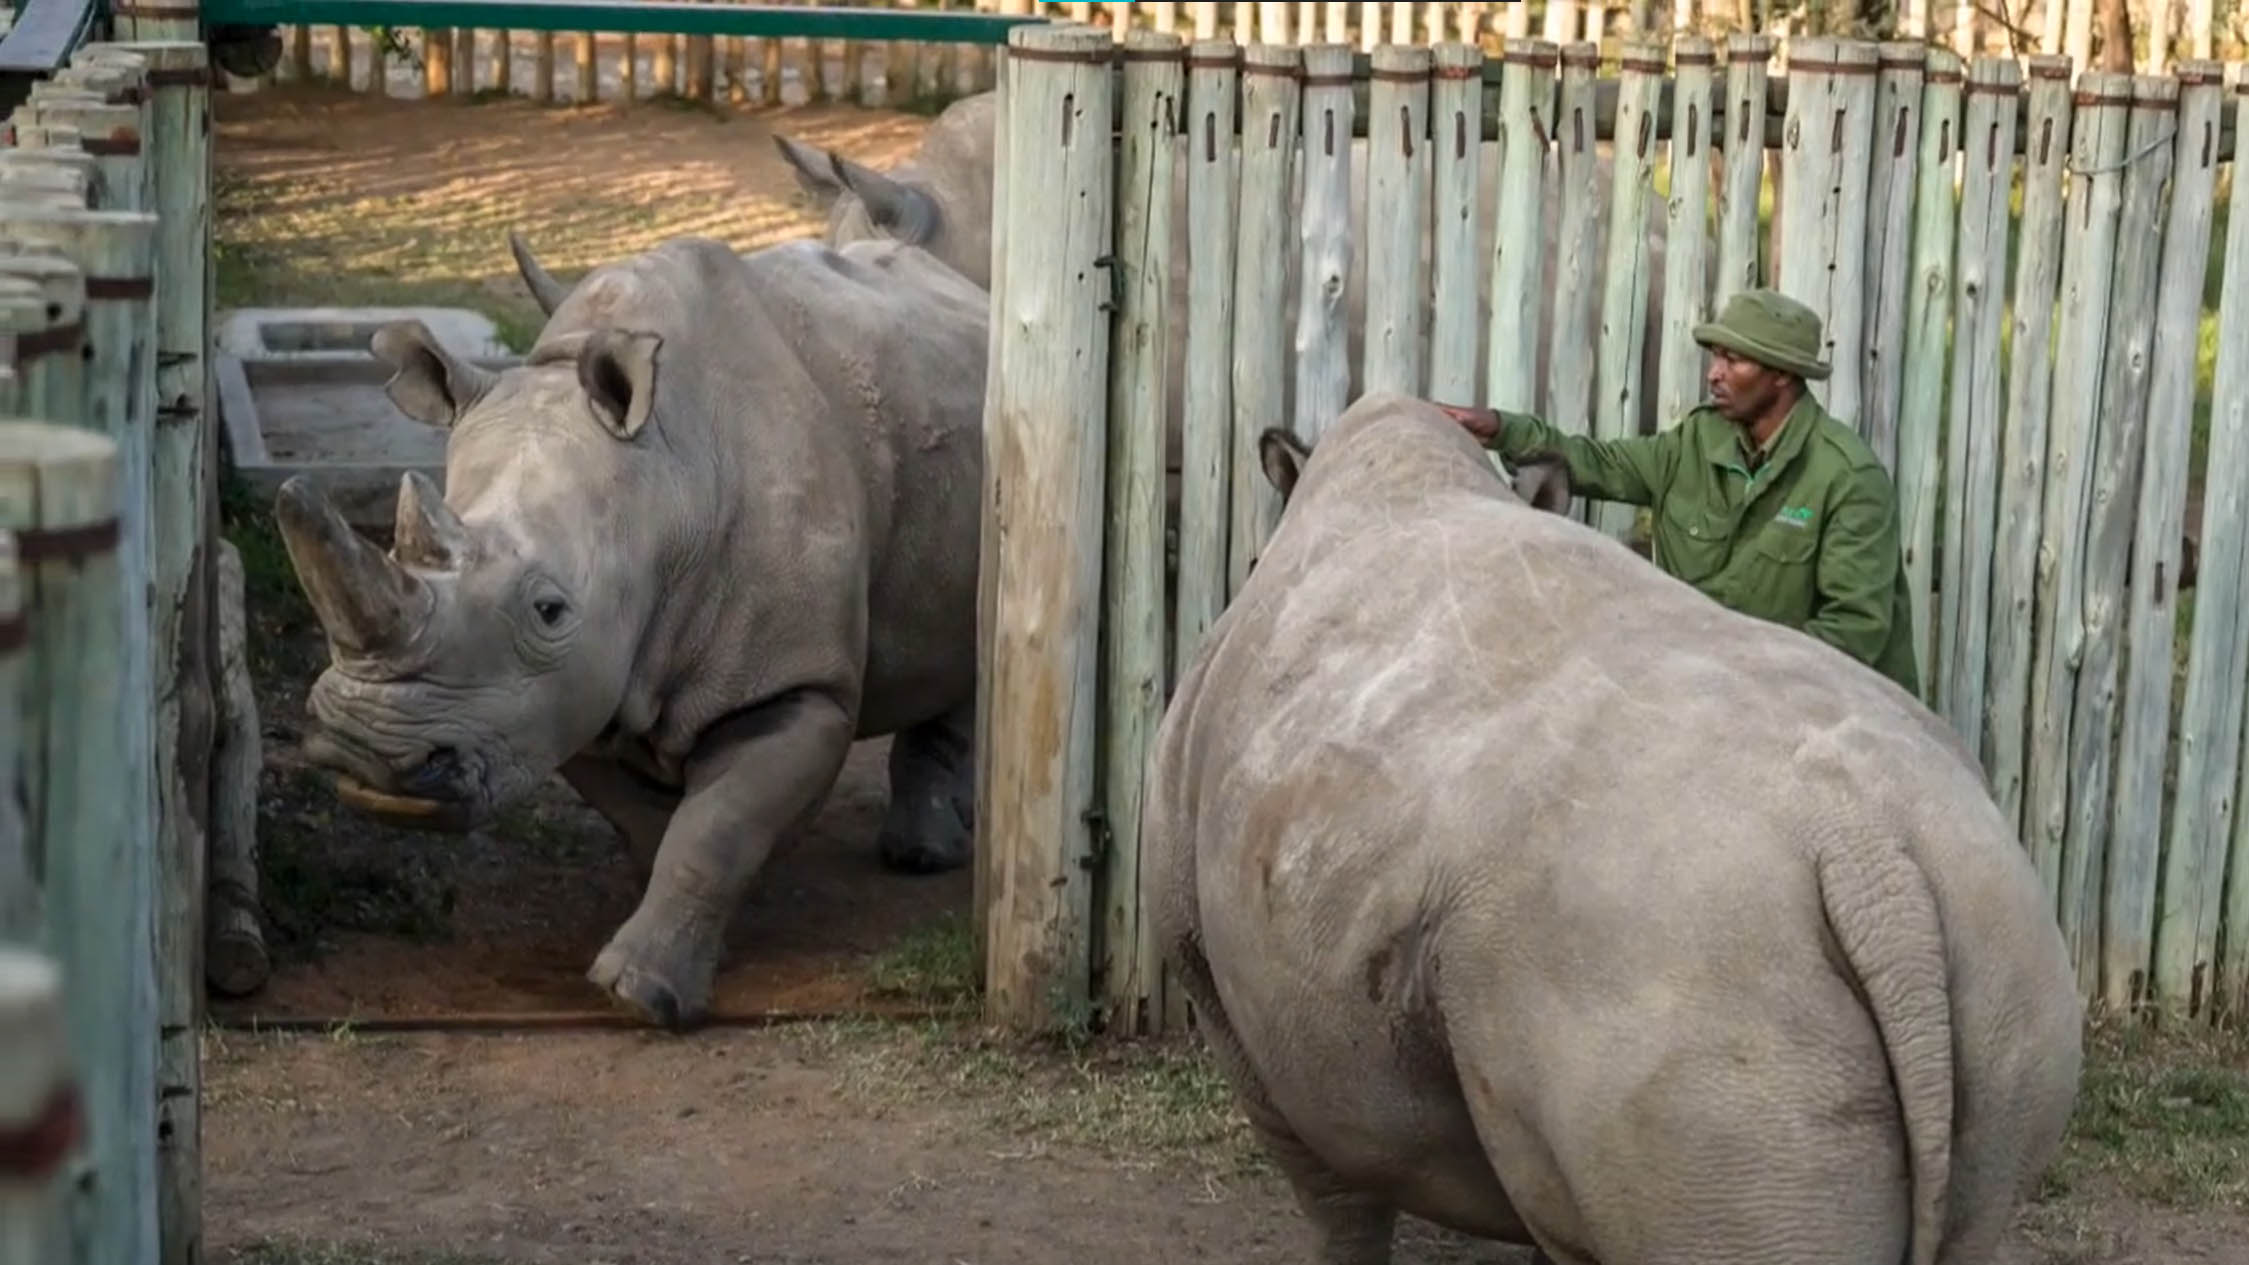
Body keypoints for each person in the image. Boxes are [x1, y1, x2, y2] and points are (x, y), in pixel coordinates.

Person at [1434, 287, 1921, 698]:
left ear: (1782, 374)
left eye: (1734, 360)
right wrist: (1501, 428)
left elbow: (1854, 634)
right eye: (1716, 357)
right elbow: (1598, 463)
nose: (1714, 373)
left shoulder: (1849, 477)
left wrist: (1727, 667)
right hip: (1708, 694)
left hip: (1826, 715)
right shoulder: (1696, 441)